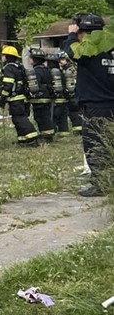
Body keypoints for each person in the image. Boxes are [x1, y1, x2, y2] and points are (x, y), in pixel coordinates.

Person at [64, 13, 114, 197]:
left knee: (95, 145)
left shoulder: (88, 48)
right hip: (110, 104)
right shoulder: (109, 46)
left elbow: (69, 51)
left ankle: (100, 184)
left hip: (95, 107)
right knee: (109, 144)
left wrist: (70, 35)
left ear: (83, 32)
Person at [0, 45, 39, 146]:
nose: (2, 57)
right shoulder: (19, 67)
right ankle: (23, 139)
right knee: (18, 119)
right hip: (23, 98)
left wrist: (2, 97)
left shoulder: (8, 68)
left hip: (15, 99)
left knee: (20, 119)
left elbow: (8, 85)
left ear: (7, 57)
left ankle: (32, 138)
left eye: (3, 55)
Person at [27, 48, 55, 144]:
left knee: (41, 117)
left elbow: (36, 83)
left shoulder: (36, 71)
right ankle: (47, 134)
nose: (30, 60)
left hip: (39, 98)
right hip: (47, 96)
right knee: (46, 115)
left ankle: (46, 136)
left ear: (35, 59)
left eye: (31, 58)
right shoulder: (46, 69)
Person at [46, 53, 71, 137]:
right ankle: (64, 134)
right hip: (64, 98)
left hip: (55, 100)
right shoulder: (61, 71)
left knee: (53, 117)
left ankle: (52, 133)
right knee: (63, 118)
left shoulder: (50, 72)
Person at [60, 54, 84, 134]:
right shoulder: (67, 68)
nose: (61, 61)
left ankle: (78, 130)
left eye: (63, 59)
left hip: (73, 92)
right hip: (73, 92)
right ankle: (78, 129)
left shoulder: (70, 69)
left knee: (74, 111)